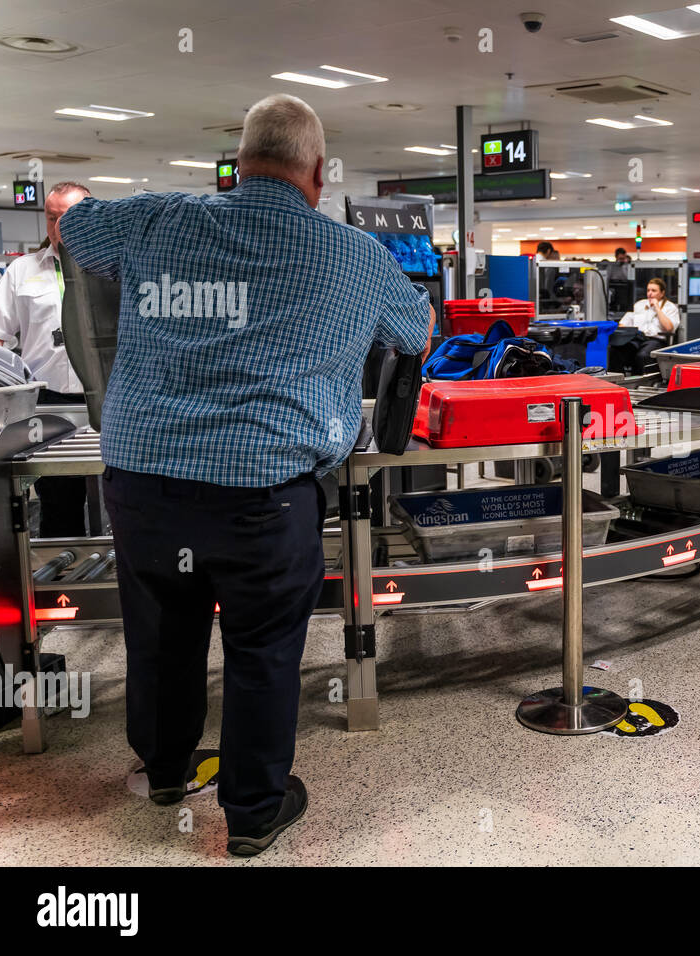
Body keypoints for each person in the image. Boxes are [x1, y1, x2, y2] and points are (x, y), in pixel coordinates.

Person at [59, 93, 433, 856]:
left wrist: (81, 207)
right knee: (263, 649)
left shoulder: (162, 217)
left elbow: (73, 224)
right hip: (266, 499)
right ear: (318, 173)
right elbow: (416, 330)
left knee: (161, 634)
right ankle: (254, 814)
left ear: (235, 161)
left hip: (145, 486)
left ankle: (165, 771)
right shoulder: (358, 257)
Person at [0, 182, 94, 536]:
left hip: (110, 399)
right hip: (49, 404)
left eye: (69, 217)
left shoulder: (116, 269)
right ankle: (63, 581)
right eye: (52, 218)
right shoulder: (22, 271)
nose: (59, 227)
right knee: (58, 500)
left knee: (121, 495)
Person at [608, 276, 680, 374]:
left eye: (654, 290)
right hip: (637, 338)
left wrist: (657, 308)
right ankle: (618, 381)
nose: (650, 293)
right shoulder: (639, 305)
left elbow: (669, 328)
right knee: (615, 350)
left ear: (662, 293)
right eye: (648, 290)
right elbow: (623, 323)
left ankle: (641, 382)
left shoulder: (669, 307)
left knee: (642, 355)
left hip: (656, 340)